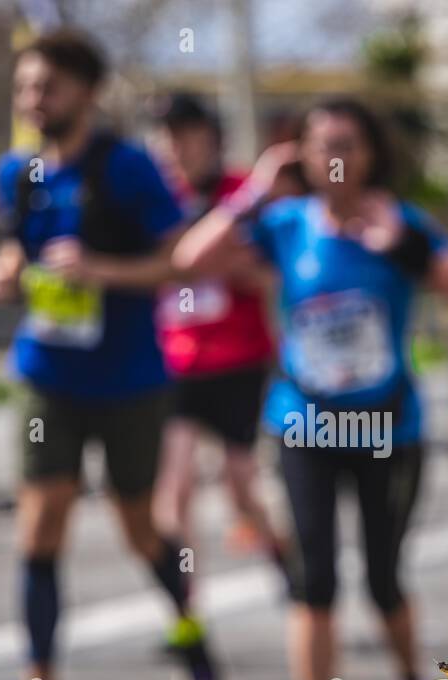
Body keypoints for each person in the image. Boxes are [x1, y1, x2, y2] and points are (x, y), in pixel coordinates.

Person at [173, 98, 448, 680]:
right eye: (323, 146)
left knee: (383, 573)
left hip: (388, 429)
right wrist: (254, 190)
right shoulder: (285, 223)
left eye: (348, 145)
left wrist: (404, 249)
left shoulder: (401, 223)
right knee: (314, 577)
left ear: (371, 155)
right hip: (304, 425)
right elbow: (189, 261)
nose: (336, 159)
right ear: (303, 156)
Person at [0, 31, 213, 680]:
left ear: (85, 90)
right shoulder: (16, 173)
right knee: (40, 529)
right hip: (48, 375)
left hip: (131, 380)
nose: (31, 101)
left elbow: (177, 262)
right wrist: (5, 273)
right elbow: (18, 250)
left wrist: (102, 271)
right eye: (23, 88)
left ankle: (187, 623)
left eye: (45, 87)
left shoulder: (127, 166)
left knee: (138, 527)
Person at [149, 94, 288, 573]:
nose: (175, 146)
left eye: (185, 133)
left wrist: (199, 262)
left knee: (240, 490)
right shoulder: (156, 197)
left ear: (211, 137)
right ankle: (187, 616)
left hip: (239, 358)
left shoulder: (242, 192)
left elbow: (269, 270)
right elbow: (154, 268)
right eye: (166, 135)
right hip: (174, 361)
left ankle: (287, 565)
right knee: (176, 490)